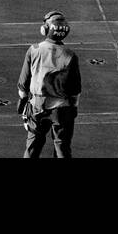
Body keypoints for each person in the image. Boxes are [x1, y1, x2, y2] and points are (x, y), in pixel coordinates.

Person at [17, 11, 81, 158]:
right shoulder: (70, 55)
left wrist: (22, 106)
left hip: (37, 107)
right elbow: (75, 90)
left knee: (32, 148)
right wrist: (74, 109)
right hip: (62, 109)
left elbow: (22, 86)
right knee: (62, 148)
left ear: (46, 29)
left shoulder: (34, 50)